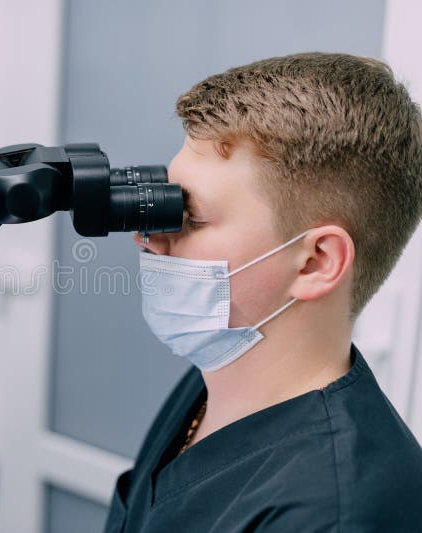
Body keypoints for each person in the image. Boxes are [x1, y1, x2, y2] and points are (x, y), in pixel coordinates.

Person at [106, 53, 422, 532]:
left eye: (191, 217)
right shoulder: (214, 381)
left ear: (316, 261)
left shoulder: (336, 513)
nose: (148, 238)